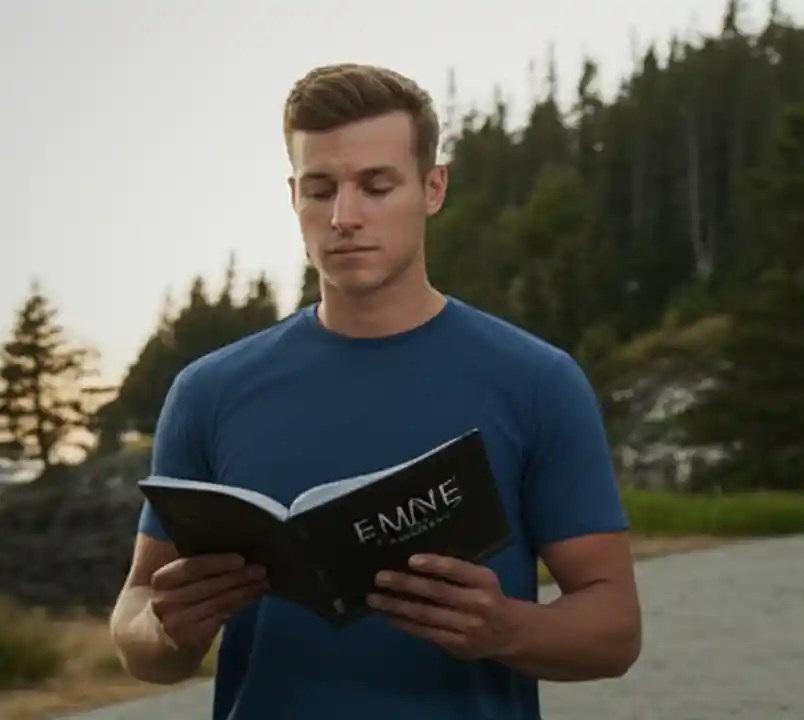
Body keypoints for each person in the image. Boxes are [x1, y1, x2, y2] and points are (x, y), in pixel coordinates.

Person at [107, 62, 642, 719]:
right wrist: (166, 630)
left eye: (376, 185)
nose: (343, 216)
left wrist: (507, 627)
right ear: (293, 195)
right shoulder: (209, 391)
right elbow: (137, 622)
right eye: (320, 188)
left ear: (433, 187)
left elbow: (615, 629)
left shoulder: (536, 381)